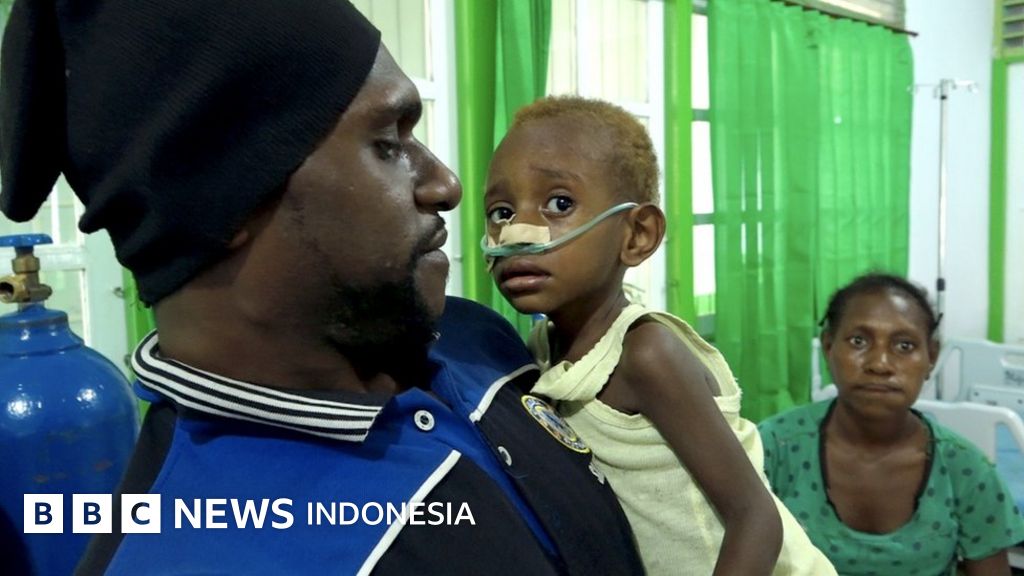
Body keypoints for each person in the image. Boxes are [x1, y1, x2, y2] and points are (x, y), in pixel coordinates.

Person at [0, 2, 645, 574]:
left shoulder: (472, 335)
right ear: (226, 200)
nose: (445, 183)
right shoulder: (195, 553)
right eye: (389, 144)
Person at [482, 95, 836, 575]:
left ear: (637, 235)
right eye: (501, 211)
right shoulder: (540, 353)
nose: (517, 233)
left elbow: (756, 519)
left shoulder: (645, 353)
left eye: (559, 204)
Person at [759, 273, 1024, 575]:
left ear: (931, 358)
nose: (879, 364)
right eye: (859, 341)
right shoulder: (774, 449)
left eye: (904, 346)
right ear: (829, 347)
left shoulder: (964, 470)